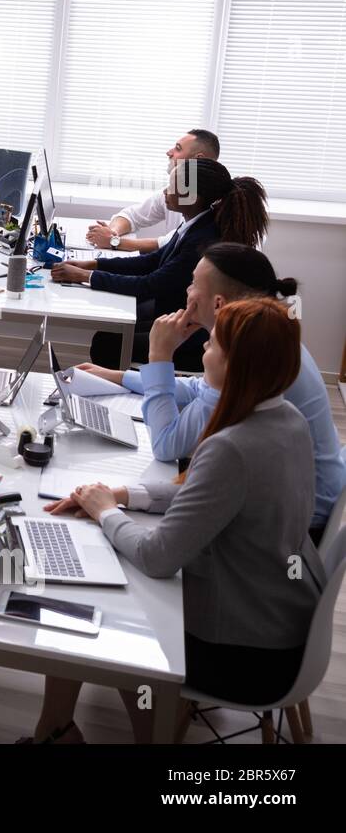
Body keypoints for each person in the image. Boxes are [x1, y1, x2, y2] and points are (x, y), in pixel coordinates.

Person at [24, 297, 325, 743]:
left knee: (105, 615)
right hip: (281, 619)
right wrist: (125, 495)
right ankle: (56, 730)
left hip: (247, 652)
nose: (204, 349)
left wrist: (105, 511)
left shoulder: (232, 447)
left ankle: (116, 735)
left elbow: (158, 556)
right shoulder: (288, 419)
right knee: (100, 585)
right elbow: (201, 493)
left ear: (237, 364)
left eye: (214, 345)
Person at [77, 243, 345, 543]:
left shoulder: (247, 359)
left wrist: (160, 357)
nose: (187, 291)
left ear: (218, 303)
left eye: (193, 283)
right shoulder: (263, 336)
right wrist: (119, 377)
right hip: (301, 495)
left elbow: (166, 445)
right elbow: (197, 389)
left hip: (291, 525)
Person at [51, 159, 268, 370]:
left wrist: (82, 277)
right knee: (113, 328)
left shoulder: (203, 239)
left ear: (193, 198)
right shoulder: (196, 223)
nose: (165, 191)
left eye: (172, 187)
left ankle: (121, 395)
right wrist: (93, 264)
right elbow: (152, 261)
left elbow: (150, 285)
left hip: (194, 341)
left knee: (108, 343)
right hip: (177, 313)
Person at [85, 130, 220, 252]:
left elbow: (166, 244)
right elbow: (132, 215)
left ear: (197, 160)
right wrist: (112, 232)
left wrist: (113, 241)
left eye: (178, 149)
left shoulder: (210, 205)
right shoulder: (173, 192)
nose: (169, 152)